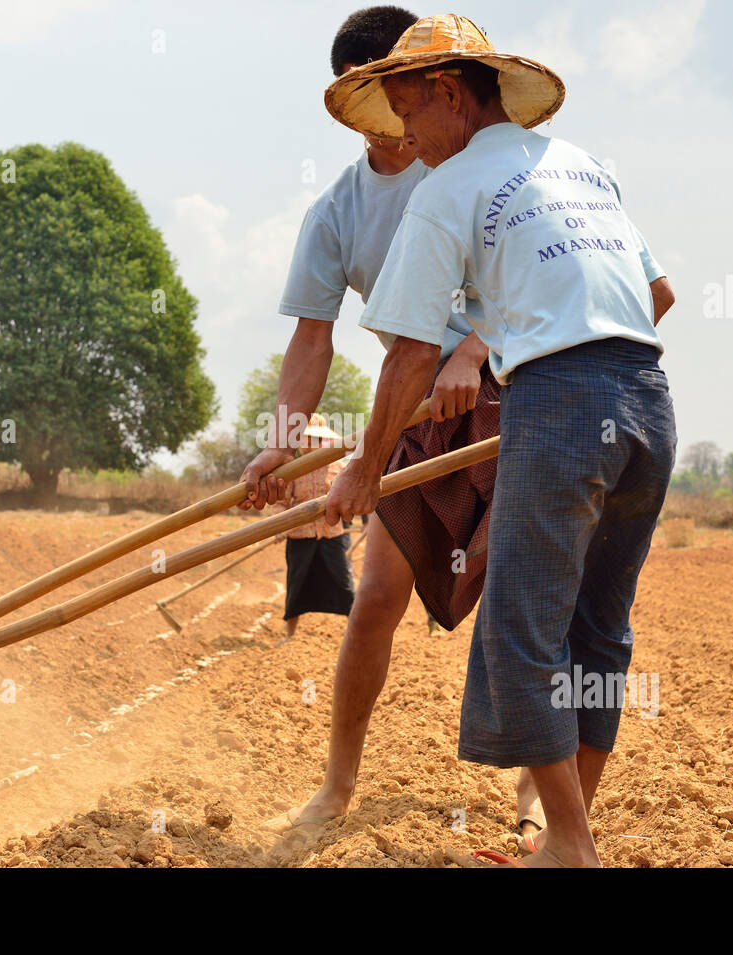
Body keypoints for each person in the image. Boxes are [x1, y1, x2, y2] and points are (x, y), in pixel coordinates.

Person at [322, 14, 678, 867]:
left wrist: (365, 472)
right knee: (598, 632)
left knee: (518, 634)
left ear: (449, 94)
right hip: (650, 405)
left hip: (562, 409)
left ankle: (572, 852)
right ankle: (563, 837)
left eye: (408, 111)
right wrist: (531, 342)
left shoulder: (446, 190)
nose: (405, 136)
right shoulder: (580, 164)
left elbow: (410, 352)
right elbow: (658, 295)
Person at [240, 5, 509, 834]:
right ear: (365, 100)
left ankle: (540, 801)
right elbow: (310, 340)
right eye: (389, 97)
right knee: (376, 597)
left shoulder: (472, 171)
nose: (406, 116)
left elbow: (530, 277)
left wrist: (473, 349)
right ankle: (336, 788)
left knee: (524, 596)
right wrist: (284, 445)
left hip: (506, 395)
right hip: (411, 408)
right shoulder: (336, 213)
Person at [269, 414, 355, 641]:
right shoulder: (290, 470)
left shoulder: (338, 466)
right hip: (300, 535)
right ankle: (289, 635)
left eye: (315, 438)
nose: (310, 443)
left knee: (344, 582)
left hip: (331, 533)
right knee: (296, 584)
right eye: (305, 438)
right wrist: (280, 526)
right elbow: (280, 504)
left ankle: (356, 634)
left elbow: (349, 496)